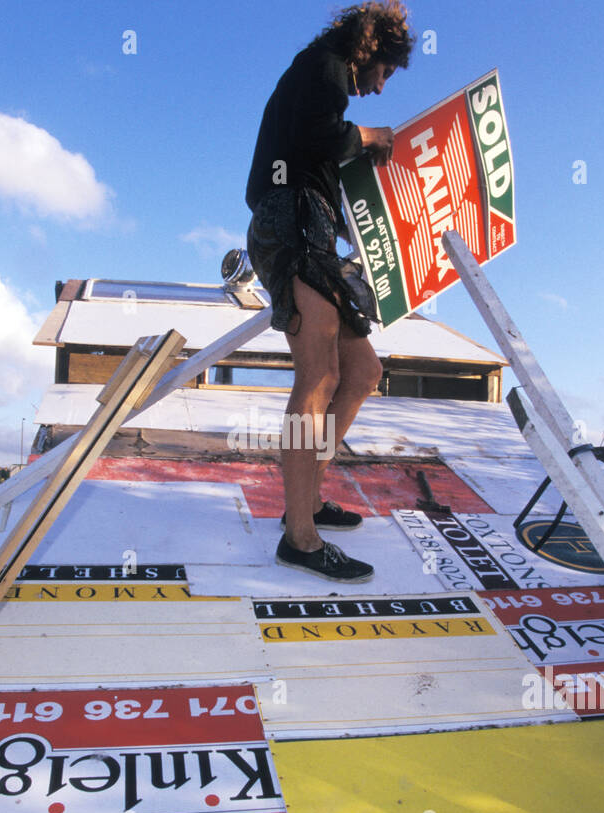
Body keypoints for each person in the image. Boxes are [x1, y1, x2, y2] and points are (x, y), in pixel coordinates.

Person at [245, 1, 414, 582]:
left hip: (311, 222)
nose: (378, 87)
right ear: (373, 52)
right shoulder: (324, 66)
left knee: (361, 371)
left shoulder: (323, 74)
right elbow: (319, 134)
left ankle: (308, 499)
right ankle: (298, 536)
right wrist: (368, 137)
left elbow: (313, 147)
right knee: (317, 376)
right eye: (384, 73)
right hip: (288, 219)